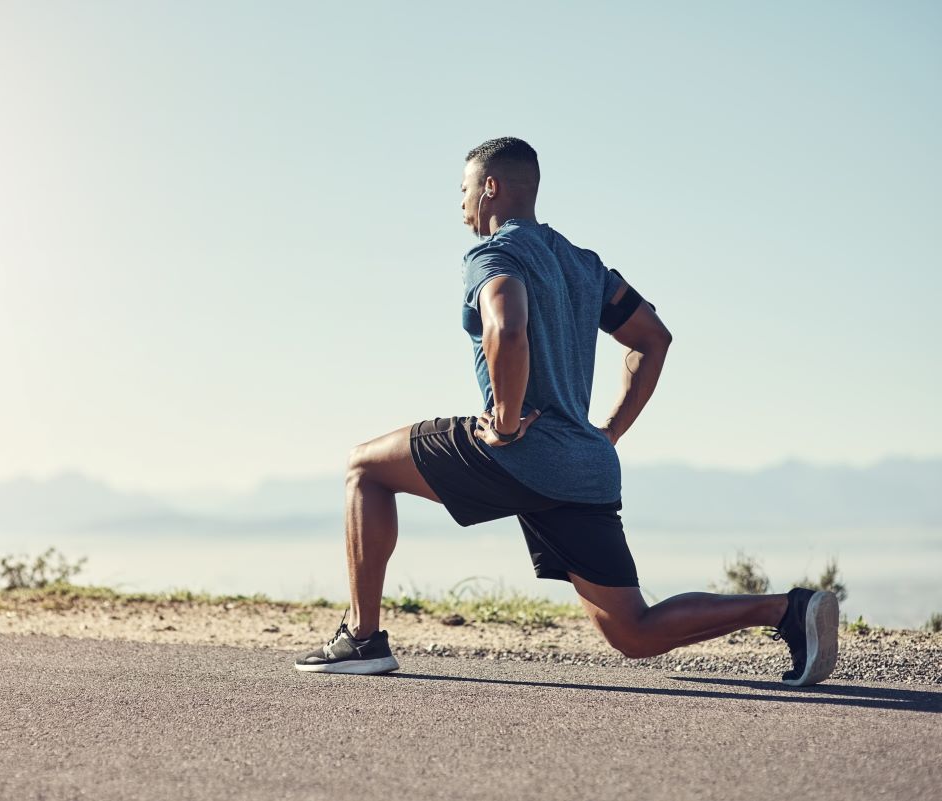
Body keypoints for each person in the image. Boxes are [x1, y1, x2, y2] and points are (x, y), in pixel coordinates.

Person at [293, 136, 838, 687]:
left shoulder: (494, 254)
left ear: (490, 188)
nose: (460, 209)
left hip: (515, 451)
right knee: (634, 632)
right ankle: (788, 611)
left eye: (462, 192)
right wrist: (607, 434)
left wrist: (505, 422)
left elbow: (507, 326)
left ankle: (362, 639)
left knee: (364, 467)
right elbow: (654, 338)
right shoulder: (583, 265)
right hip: (582, 465)